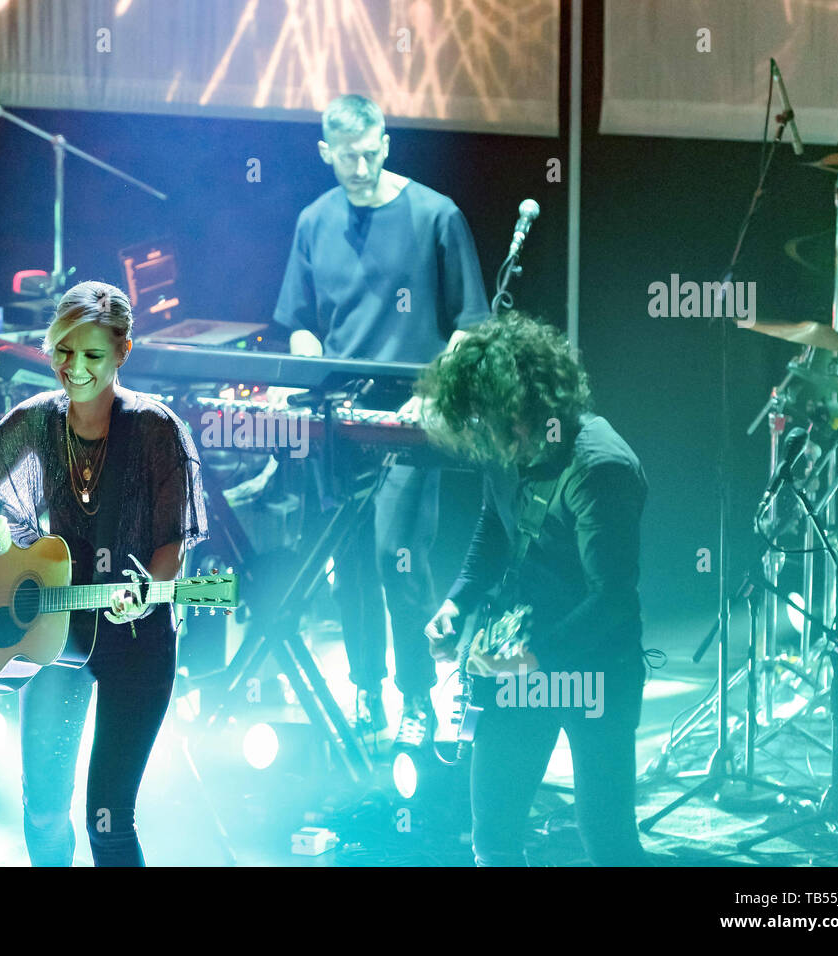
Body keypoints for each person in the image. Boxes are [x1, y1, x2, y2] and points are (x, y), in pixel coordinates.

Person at [0, 281, 207, 866]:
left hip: (135, 641)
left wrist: (150, 593)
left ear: (123, 353)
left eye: (93, 355)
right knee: (41, 812)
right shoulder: (35, 419)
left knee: (107, 820)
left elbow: (173, 544)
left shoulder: (156, 430)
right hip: (53, 634)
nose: (76, 368)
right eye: (65, 351)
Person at [271, 93, 490, 741]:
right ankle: (366, 694)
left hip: (413, 424)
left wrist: (435, 390)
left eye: (370, 153)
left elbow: (473, 327)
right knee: (349, 565)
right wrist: (308, 360)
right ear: (325, 153)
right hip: (342, 425)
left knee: (397, 555)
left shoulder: (435, 216)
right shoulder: (314, 221)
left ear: (387, 143)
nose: (361, 166)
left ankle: (417, 698)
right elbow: (300, 325)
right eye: (347, 157)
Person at [419, 313, 648, 866]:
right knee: (493, 837)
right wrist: (458, 600)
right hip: (519, 660)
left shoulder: (600, 467)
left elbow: (612, 598)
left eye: (491, 422)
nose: (484, 436)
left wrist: (531, 661)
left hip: (596, 668)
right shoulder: (506, 440)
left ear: (525, 404)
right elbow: (495, 526)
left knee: (609, 841)